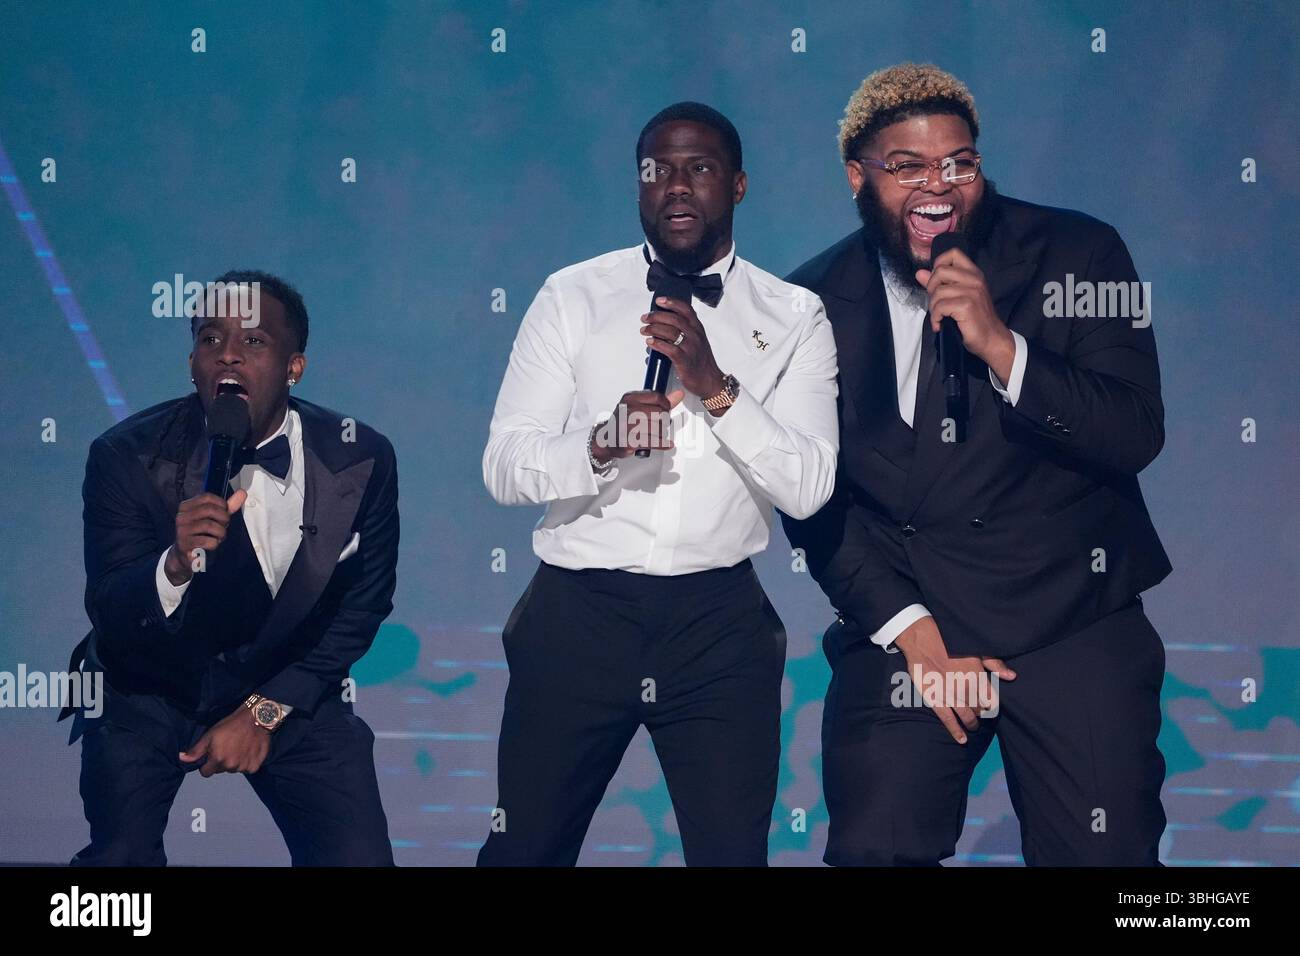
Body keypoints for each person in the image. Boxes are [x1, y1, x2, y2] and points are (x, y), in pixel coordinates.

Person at [782, 64, 1171, 866]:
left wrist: (1002, 346)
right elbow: (812, 499)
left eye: (961, 162)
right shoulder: (807, 304)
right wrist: (912, 634)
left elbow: (1134, 430)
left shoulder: (1080, 252)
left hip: (1071, 617)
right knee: (874, 849)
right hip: (914, 631)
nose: (942, 185)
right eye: (911, 167)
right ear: (858, 176)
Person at [479, 102, 838, 865]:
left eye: (699, 169)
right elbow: (504, 464)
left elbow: (808, 486)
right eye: (658, 171)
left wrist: (716, 388)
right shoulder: (571, 297)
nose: (677, 187)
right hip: (578, 613)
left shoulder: (796, 315)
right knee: (524, 851)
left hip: (719, 625)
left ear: (737, 185)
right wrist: (599, 445)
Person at [61, 270, 398, 866]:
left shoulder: (360, 459)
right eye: (210, 340)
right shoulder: (125, 456)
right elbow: (111, 608)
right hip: (145, 690)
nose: (229, 357)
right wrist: (172, 564)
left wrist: (263, 711)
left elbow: (361, 607)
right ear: (192, 361)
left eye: (254, 343)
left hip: (283, 685)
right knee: (118, 868)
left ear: (294, 366)